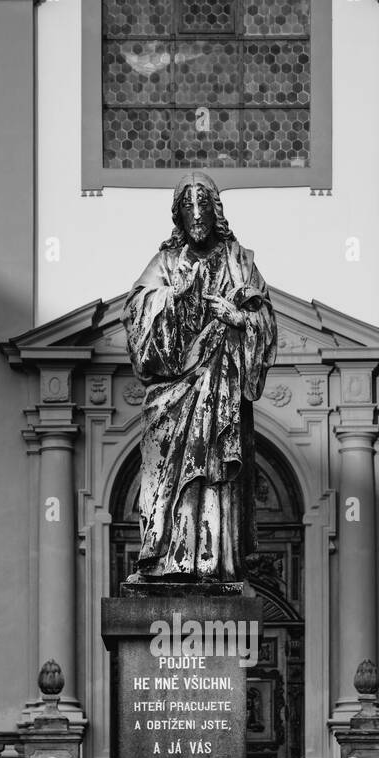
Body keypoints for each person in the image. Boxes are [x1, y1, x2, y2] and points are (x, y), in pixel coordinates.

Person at [123, 171, 277, 582]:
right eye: (187, 207)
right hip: (172, 391)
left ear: (215, 211)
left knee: (213, 470)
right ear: (178, 216)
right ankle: (163, 558)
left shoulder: (239, 261)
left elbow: (264, 321)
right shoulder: (165, 263)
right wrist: (175, 297)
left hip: (221, 386)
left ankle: (211, 560)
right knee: (164, 470)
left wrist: (238, 316)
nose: (196, 214)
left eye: (203, 205)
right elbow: (137, 314)